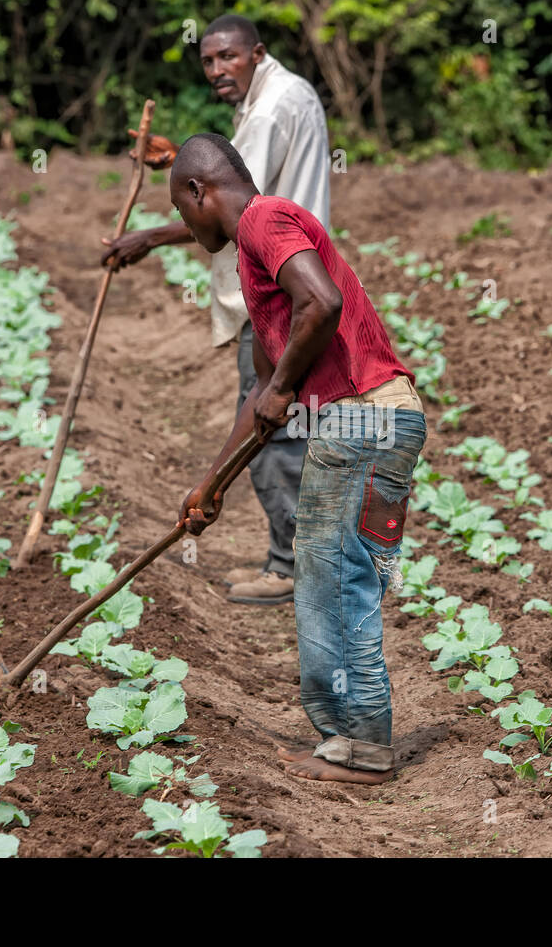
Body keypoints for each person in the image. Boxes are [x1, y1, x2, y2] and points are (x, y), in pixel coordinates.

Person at [170, 133, 425, 784]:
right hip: (368, 424)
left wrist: (285, 386)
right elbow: (259, 399)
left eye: (181, 209)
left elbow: (325, 302)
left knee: (338, 577)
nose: (184, 226)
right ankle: (345, 740)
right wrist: (211, 488)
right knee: (330, 574)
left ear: (200, 190)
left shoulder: (265, 220)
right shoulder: (257, 273)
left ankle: (364, 748)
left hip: (365, 419)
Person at [102, 14, 330, 606]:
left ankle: (291, 567)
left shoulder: (275, 104)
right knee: (278, 420)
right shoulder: (277, 95)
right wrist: (181, 157)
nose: (216, 70)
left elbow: (229, 196)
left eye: (227, 58)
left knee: (268, 425)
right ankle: (310, 560)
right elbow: (226, 181)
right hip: (286, 275)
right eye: (207, 61)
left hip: (282, 287)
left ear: (256, 53)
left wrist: (146, 238)